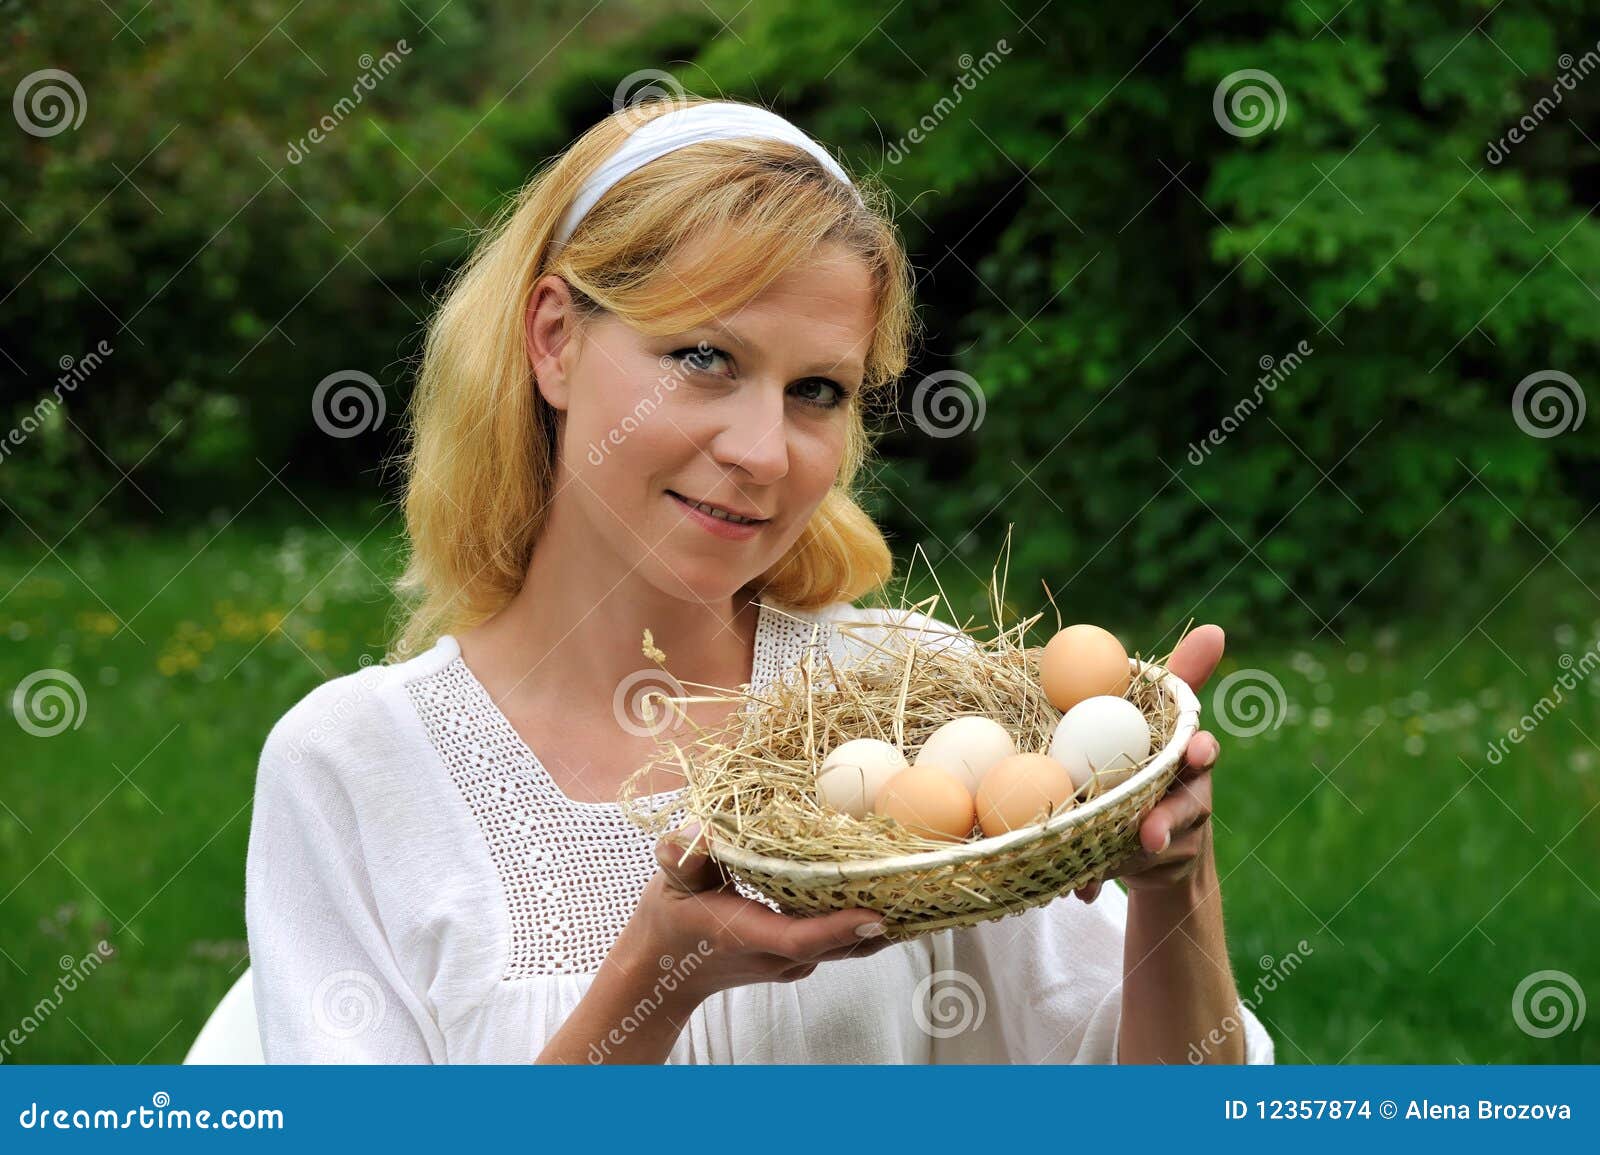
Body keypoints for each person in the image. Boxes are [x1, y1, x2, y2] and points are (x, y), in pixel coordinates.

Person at [243, 96, 1275, 1065]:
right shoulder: (357, 770)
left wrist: (1173, 884)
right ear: (554, 340)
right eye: (703, 358)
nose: (762, 452)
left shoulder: (907, 703)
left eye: (816, 391)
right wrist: (656, 982)